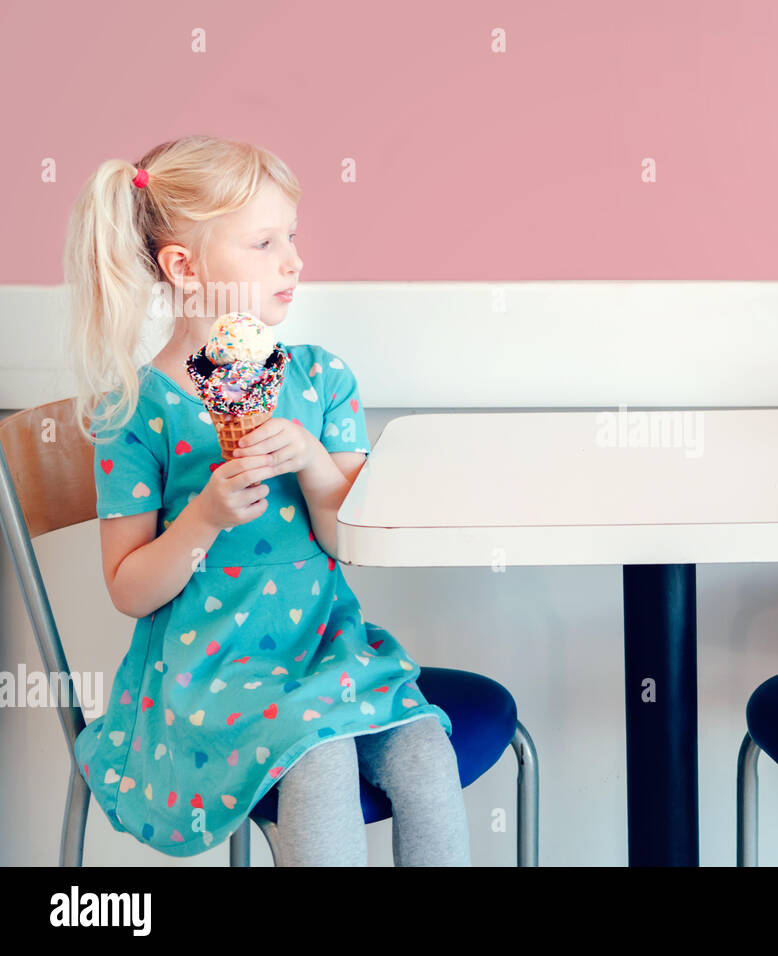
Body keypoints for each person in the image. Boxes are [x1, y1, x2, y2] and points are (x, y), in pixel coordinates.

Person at [66, 135, 471, 864]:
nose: (293, 259)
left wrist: (315, 463)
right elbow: (128, 588)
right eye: (262, 242)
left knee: (426, 761)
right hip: (211, 677)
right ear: (184, 267)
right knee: (319, 760)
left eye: (291, 235)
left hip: (326, 648)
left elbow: (349, 537)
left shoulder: (320, 380)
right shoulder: (135, 411)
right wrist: (204, 518)